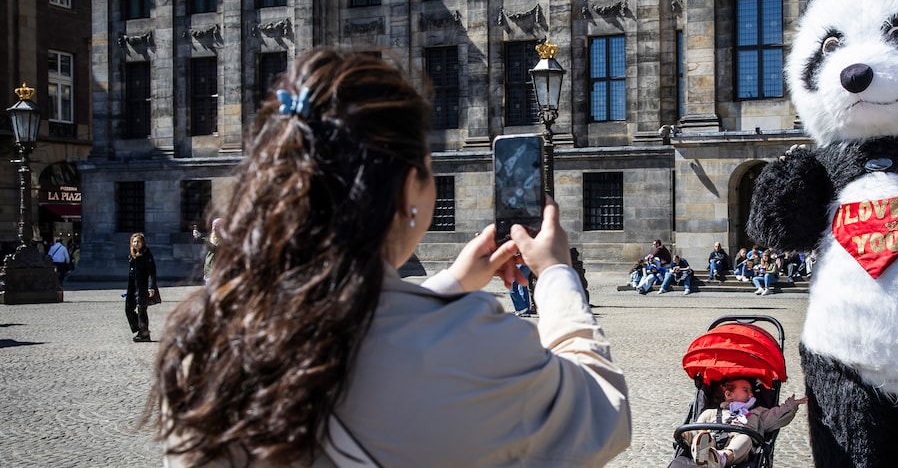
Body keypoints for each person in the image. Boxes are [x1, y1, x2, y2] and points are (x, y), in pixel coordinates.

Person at [148, 50, 630, 467]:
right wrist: (556, 274)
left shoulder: (204, 341)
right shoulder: (464, 344)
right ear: (406, 191)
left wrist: (449, 284)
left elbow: (364, 321)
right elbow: (602, 413)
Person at [682, 378, 805, 467]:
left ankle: (721, 458)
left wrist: (791, 405)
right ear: (728, 394)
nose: (751, 394)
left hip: (739, 451)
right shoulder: (711, 413)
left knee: (745, 439)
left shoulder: (757, 413)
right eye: (746, 390)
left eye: (752, 391)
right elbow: (696, 428)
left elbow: (776, 417)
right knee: (701, 436)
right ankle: (703, 456)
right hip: (712, 442)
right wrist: (686, 434)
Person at [125, 232, 158, 343]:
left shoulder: (146, 255)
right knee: (128, 309)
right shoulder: (133, 256)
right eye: (134, 242)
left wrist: (151, 287)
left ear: (142, 243)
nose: (136, 244)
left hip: (143, 287)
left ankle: (144, 334)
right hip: (133, 288)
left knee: (141, 310)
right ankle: (140, 329)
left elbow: (151, 272)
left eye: (138, 241)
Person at [192, 218, 222, 283]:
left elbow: (215, 248)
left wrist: (201, 238)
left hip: (218, 273)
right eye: (213, 226)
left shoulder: (225, 239)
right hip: (209, 273)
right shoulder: (211, 238)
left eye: (216, 226)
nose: (213, 228)